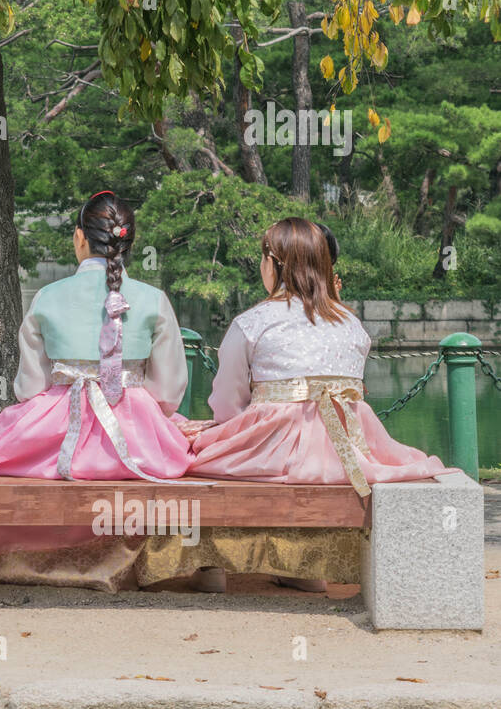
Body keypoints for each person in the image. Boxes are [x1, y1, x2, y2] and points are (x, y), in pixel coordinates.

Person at [189, 217, 453, 591]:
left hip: (276, 448)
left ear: (275, 263)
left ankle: (209, 564)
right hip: (343, 453)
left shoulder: (253, 322)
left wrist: (227, 431)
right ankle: (306, 567)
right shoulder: (349, 322)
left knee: (196, 455)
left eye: (264, 257)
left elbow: (227, 401)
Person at [0, 191, 193, 590]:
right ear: (127, 242)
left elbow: (30, 387)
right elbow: (168, 391)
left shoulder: (49, 296)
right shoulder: (154, 299)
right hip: (132, 432)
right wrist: (150, 413)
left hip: (57, 428)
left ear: (80, 238)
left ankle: (10, 560)